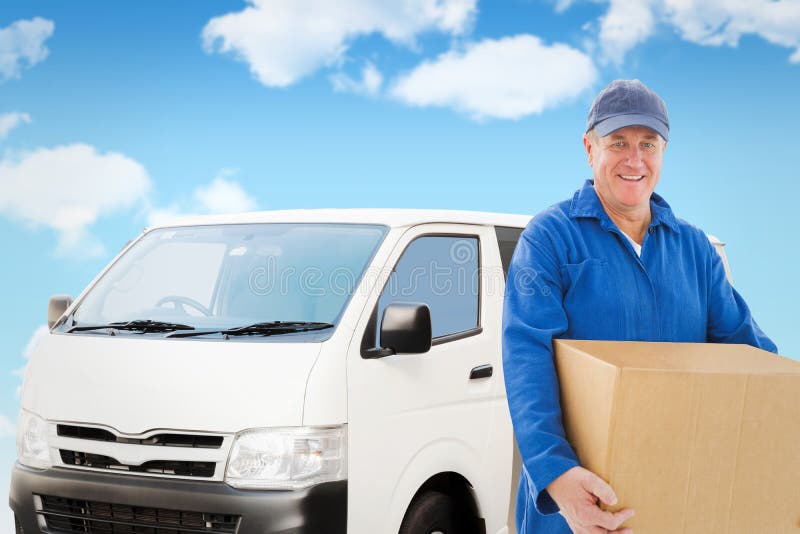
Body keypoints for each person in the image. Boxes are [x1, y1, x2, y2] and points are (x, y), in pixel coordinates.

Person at [502, 79, 777, 534]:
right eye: (618, 143)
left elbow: (748, 351)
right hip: (577, 500)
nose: (634, 160)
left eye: (648, 144)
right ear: (589, 148)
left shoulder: (694, 249)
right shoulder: (550, 238)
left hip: (673, 491)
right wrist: (556, 474)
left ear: (663, 151)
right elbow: (526, 360)